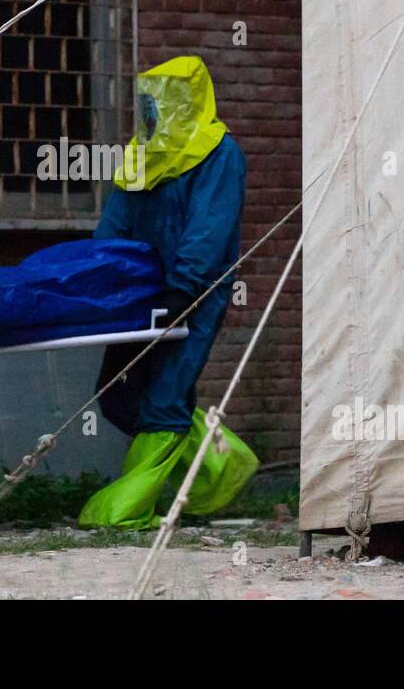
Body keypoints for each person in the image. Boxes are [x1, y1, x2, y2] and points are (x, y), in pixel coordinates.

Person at [79, 56, 258, 530]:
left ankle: (130, 506)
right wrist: (96, 279)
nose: (150, 113)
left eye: (157, 103)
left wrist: (183, 290)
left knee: (165, 395)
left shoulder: (219, 155)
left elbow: (209, 228)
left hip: (193, 294)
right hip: (137, 293)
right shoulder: (143, 155)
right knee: (116, 394)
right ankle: (219, 465)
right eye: (146, 104)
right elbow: (114, 226)